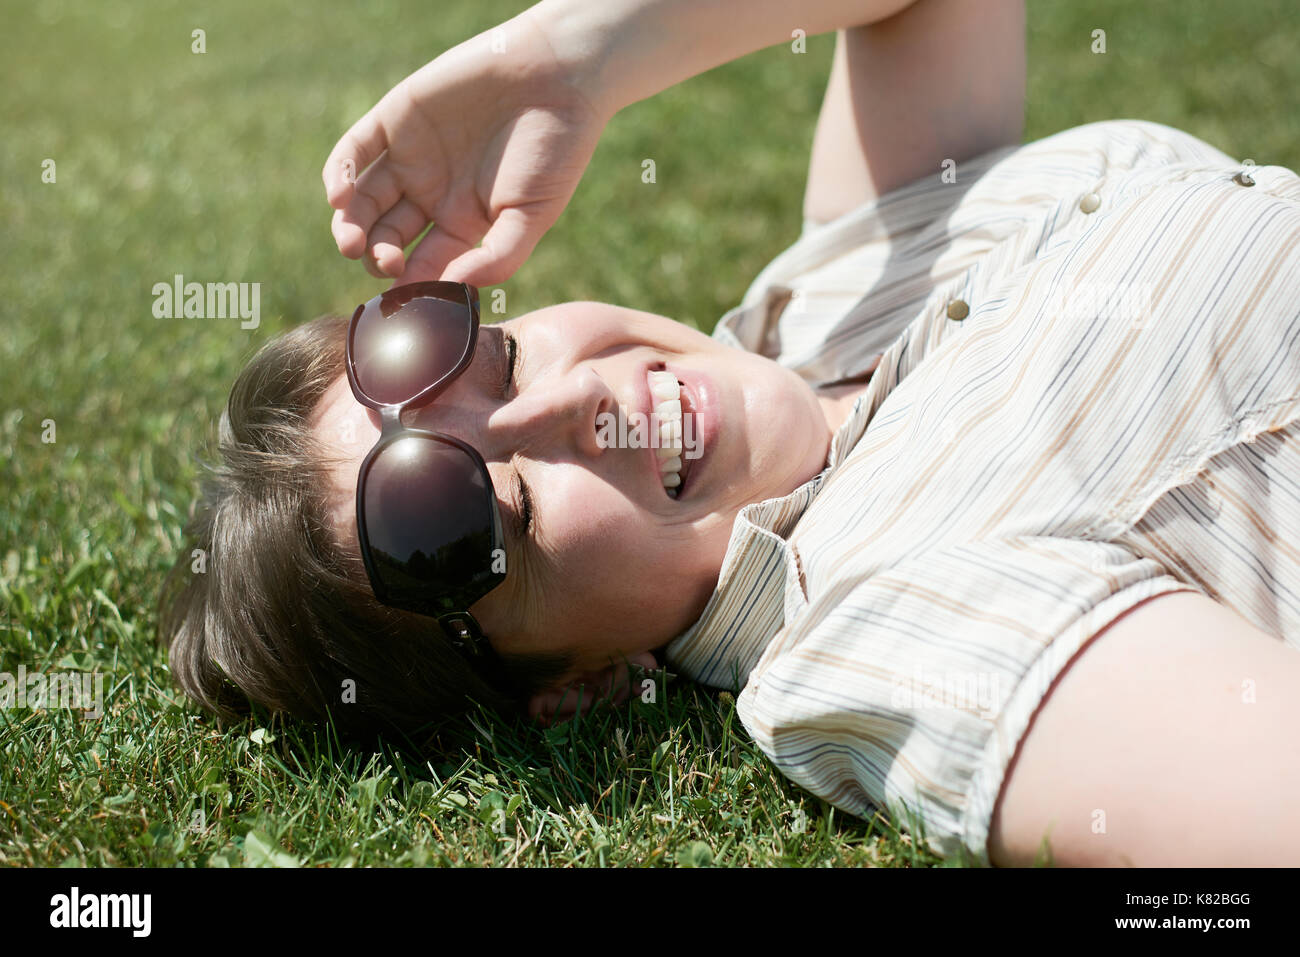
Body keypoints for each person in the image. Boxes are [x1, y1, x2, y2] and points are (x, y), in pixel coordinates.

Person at [160, 0, 1300, 866]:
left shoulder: (823, 293)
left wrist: (581, 52)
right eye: (494, 506)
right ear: (572, 687)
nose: (572, 406)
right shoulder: (881, 625)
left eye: (492, 355)